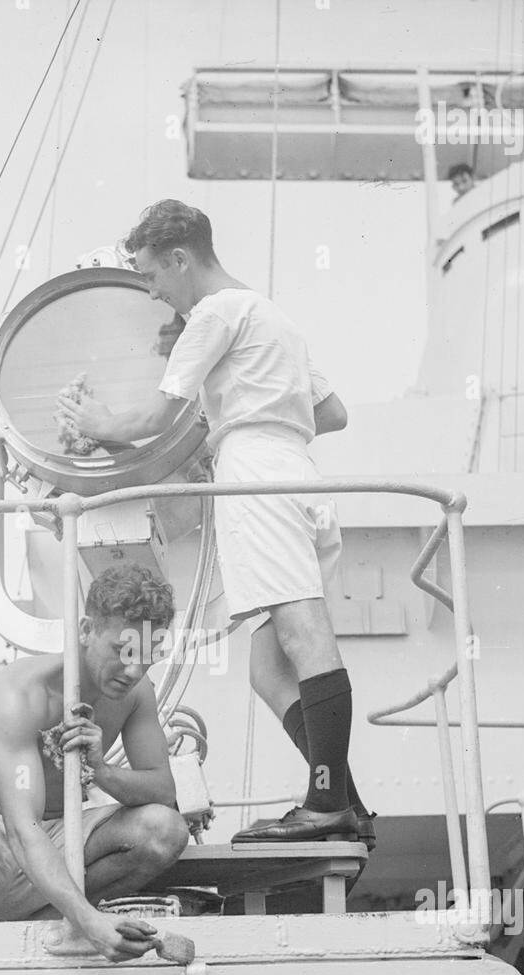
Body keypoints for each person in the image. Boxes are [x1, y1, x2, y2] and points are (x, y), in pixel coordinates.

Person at [57, 199, 374, 846]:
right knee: (267, 670)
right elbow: (333, 412)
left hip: (256, 474)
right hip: (294, 470)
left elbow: (153, 419)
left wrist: (96, 426)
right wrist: (241, 398)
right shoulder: (269, 316)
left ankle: (323, 807)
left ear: (179, 258)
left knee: (301, 633)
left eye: (151, 275)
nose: (151, 290)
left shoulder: (211, 312)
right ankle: (345, 802)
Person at [0, 563, 190, 959]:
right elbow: (21, 827)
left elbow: (163, 791)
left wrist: (101, 771)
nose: (134, 670)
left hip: (53, 845)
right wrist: (93, 926)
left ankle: (52, 919)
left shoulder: (137, 694)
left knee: (164, 829)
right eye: (122, 651)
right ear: (85, 631)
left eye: (148, 655)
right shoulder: (21, 694)